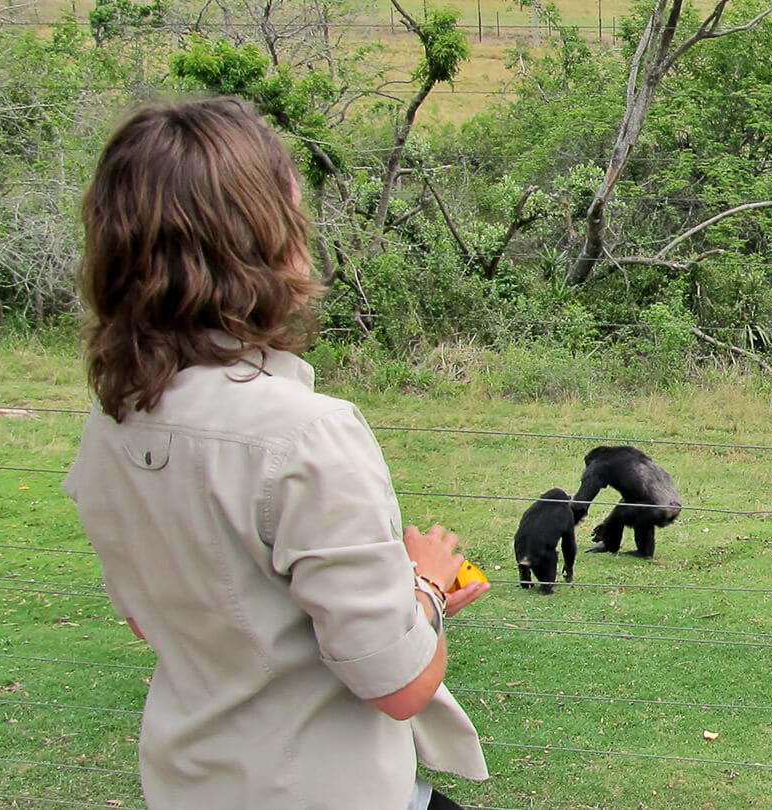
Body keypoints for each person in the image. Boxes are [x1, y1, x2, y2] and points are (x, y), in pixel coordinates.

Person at [62, 96, 492, 810]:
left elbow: (161, 618)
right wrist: (424, 584)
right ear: (267, 239)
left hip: (190, 785)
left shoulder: (113, 423)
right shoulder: (306, 434)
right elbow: (400, 684)